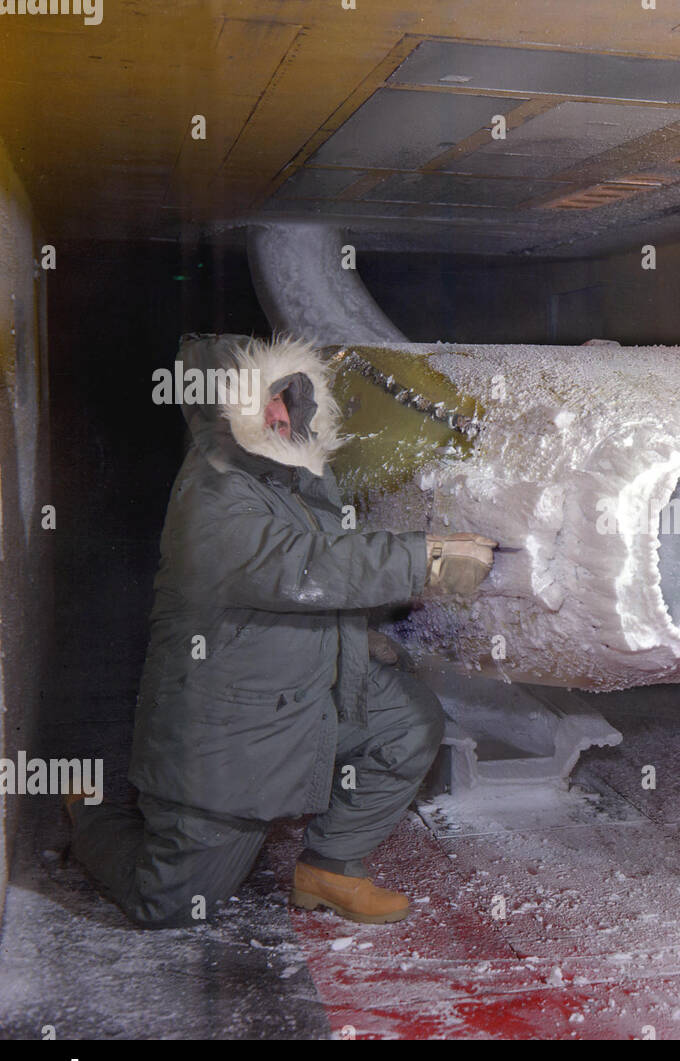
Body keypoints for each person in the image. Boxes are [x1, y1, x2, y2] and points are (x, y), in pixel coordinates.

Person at [66, 334, 496, 927]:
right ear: (222, 406)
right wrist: (427, 561)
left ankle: (330, 869)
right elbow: (300, 565)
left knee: (408, 719)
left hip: (303, 696)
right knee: (167, 903)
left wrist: (351, 638)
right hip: (227, 734)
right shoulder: (212, 492)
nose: (277, 414)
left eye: (284, 397)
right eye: (259, 401)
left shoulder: (293, 477)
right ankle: (89, 814)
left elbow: (325, 565)